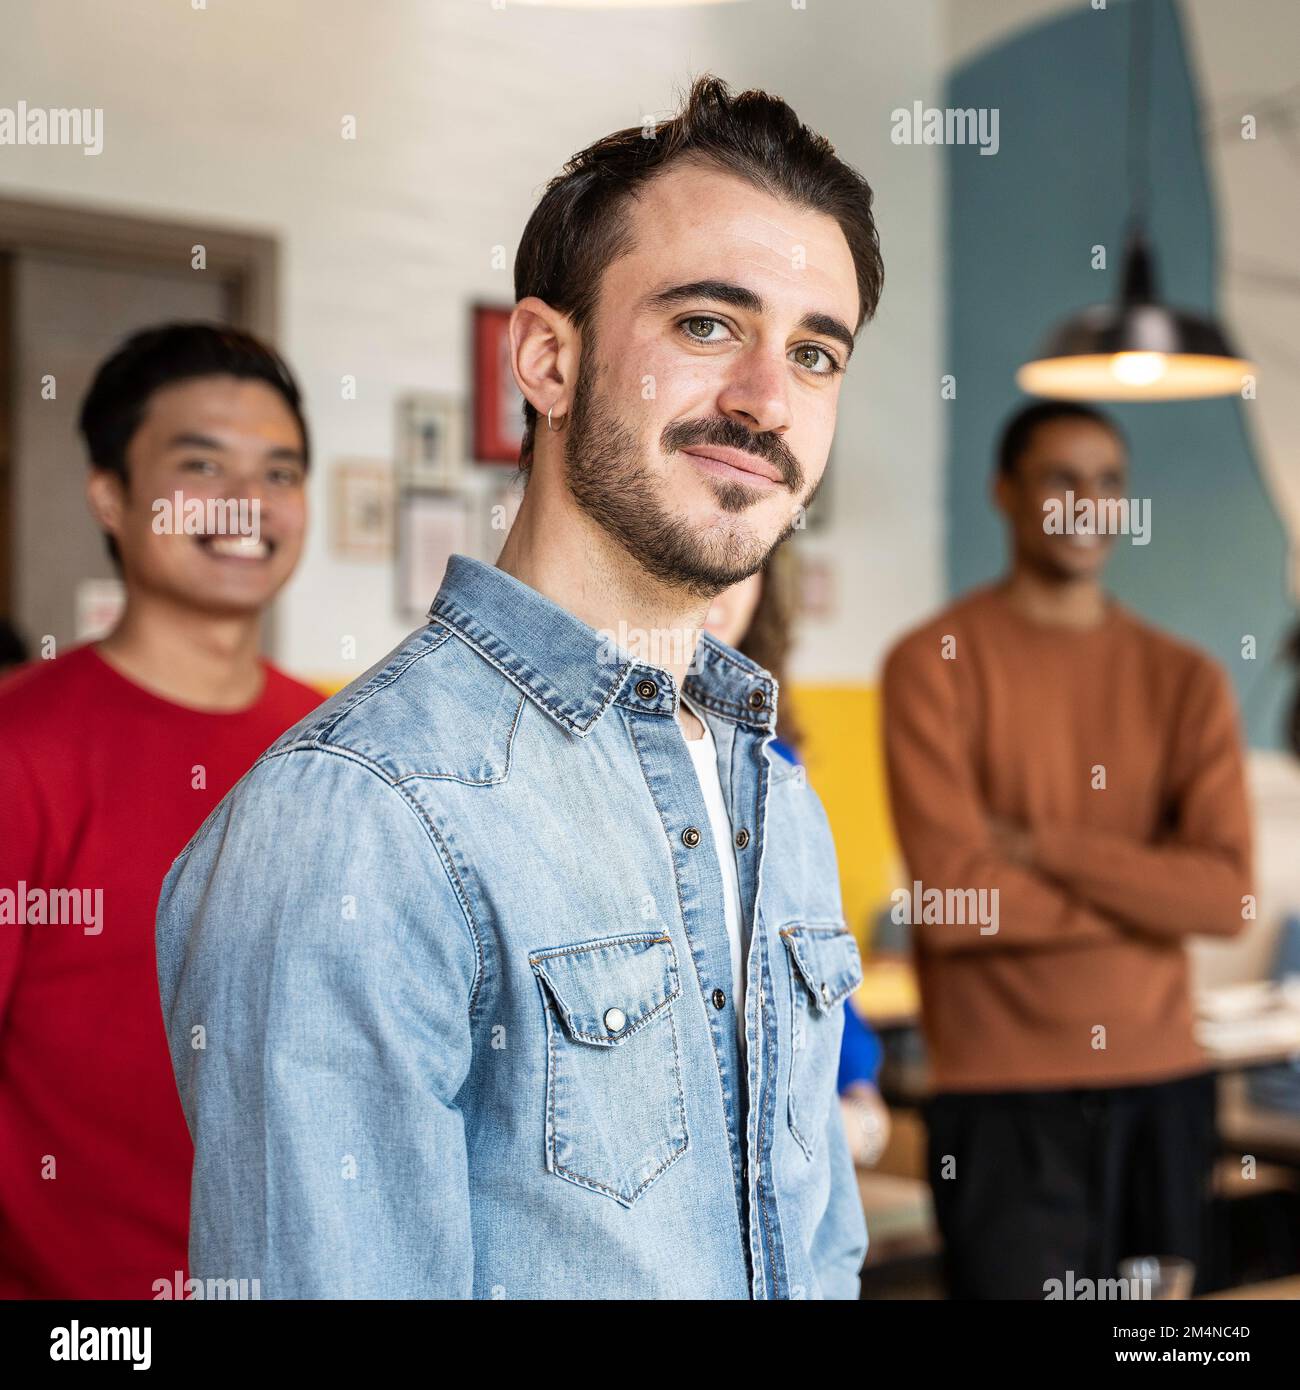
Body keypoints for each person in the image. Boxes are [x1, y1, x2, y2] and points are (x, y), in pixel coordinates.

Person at [155, 74, 883, 1299]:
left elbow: (820, 1256)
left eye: (815, 353)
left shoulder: (774, 793)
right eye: (708, 324)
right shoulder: (358, 817)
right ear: (546, 356)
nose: (766, 399)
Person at [881, 399, 1252, 1299]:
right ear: (1005, 493)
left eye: (1110, 483)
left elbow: (1220, 897)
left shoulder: (1185, 679)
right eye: (1061, 479)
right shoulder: (931, 664)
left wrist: (1039, 846)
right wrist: (1144, 895)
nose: (1088, 505)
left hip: (1164, 1086)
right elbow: (958, 906)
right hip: (1001, 1101)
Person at [0, 324, 322, 1298]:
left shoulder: (341, 750)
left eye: (279, 471)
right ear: (111, 494)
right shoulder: (21, 748)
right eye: (202, 464)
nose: (247, 504)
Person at [704, 550, 890, 1168]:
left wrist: (855, 1096)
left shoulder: (777, 764)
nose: (716, 593)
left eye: (741, 565)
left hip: (797, 1138)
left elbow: (812, 959)